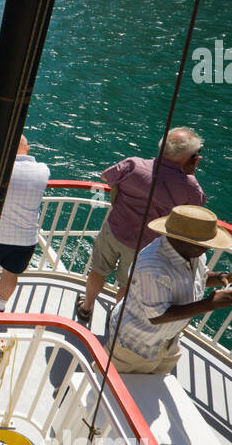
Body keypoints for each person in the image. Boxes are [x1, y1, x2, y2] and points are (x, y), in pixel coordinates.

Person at [77, 128, 205, 325]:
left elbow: (105, 176)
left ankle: (86, 308)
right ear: (189, 157)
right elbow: (195, 210)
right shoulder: (190, 187)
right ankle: (115, 318)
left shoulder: (134, 165)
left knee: (98, 271)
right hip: (145, 247)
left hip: (114, 230)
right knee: (127, 286)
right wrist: (189, 173)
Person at [105, 205, 232, 375]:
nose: (208, 248)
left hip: (167, 342)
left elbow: (197, 276)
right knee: (107, 385)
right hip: (134, 345)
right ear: (180, 240)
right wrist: (210, 304)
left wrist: (220, 277)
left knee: (146, 389)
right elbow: (157, 316)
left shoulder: (194, 252)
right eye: (204, 244)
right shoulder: (152, 266)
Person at [0, 135, 50, 311]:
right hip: (26, 238)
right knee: (11, 273)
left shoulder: (0, 169)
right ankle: (0, 306)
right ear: (28, 148)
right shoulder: (43, 170)